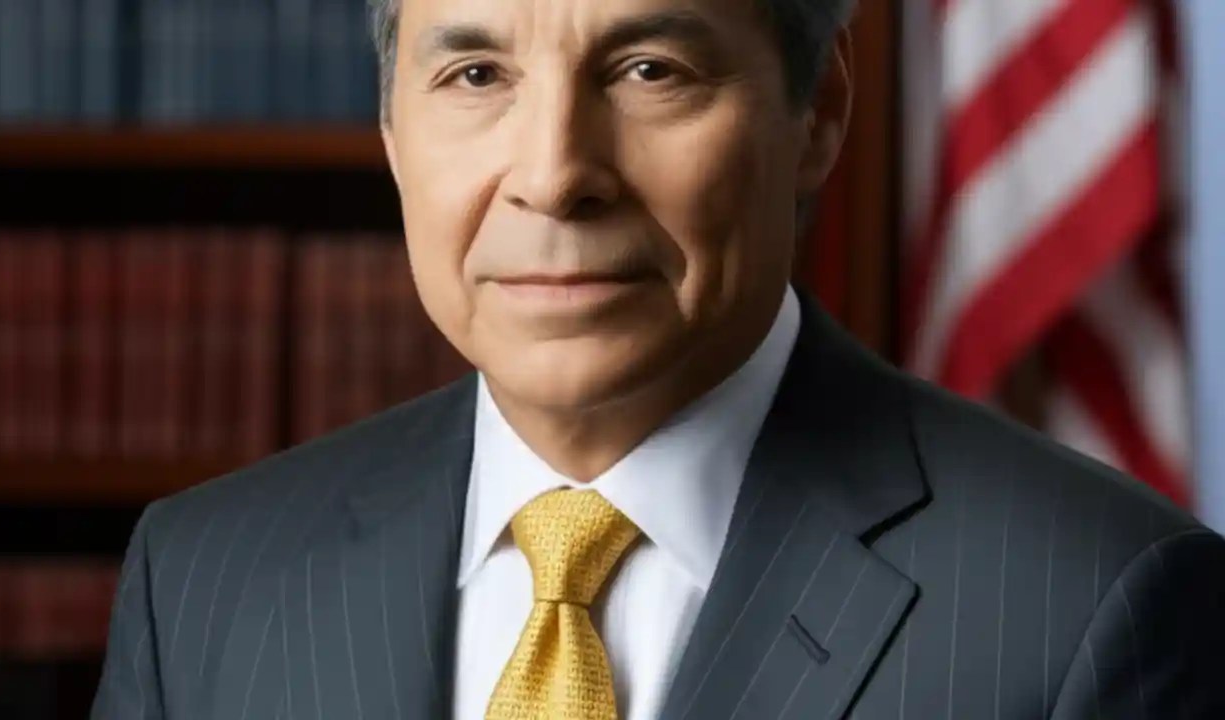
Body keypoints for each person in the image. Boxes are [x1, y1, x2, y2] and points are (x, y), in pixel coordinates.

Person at [92, 0, 1225, 717]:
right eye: (475, 75)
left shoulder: (1093, 610)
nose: (553, 173)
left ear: (817, 111)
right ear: (391, 129)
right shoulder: (200, 585)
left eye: (647, 70)